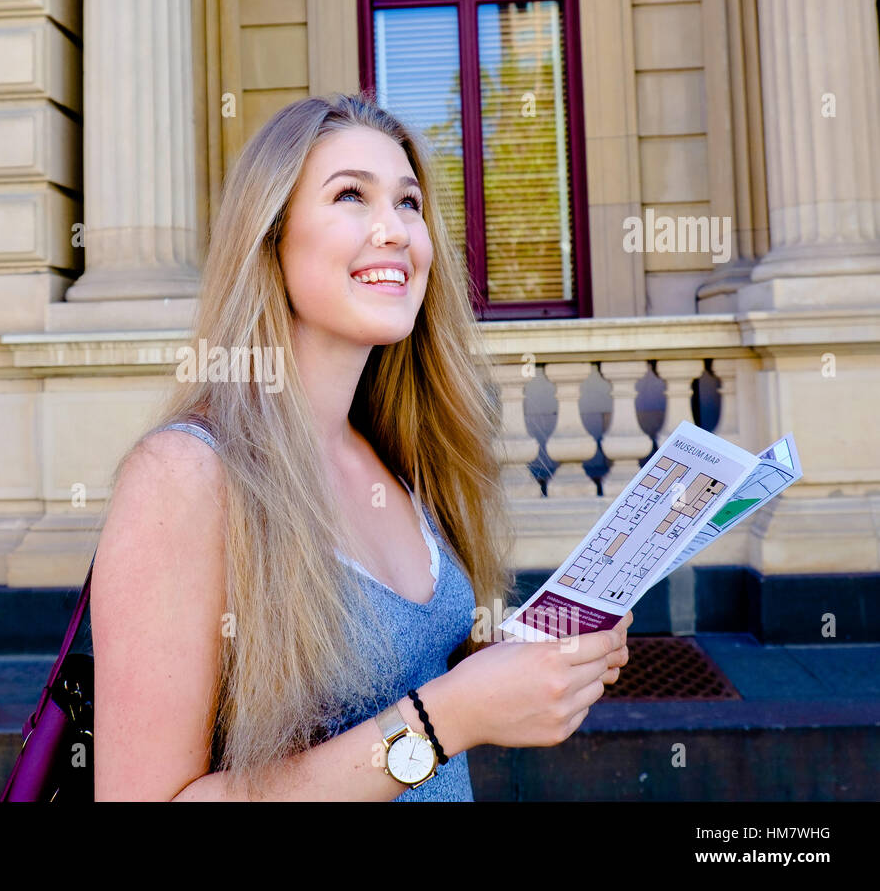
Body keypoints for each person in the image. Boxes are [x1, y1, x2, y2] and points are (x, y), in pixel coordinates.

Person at [91, 92, 630, 801]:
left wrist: (520, 668)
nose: (394, 231)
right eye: (351, 196)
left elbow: (408, 683)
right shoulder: (187, 474)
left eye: (409, 204)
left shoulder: (398, 453)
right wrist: (449, 719)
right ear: (272, 237)